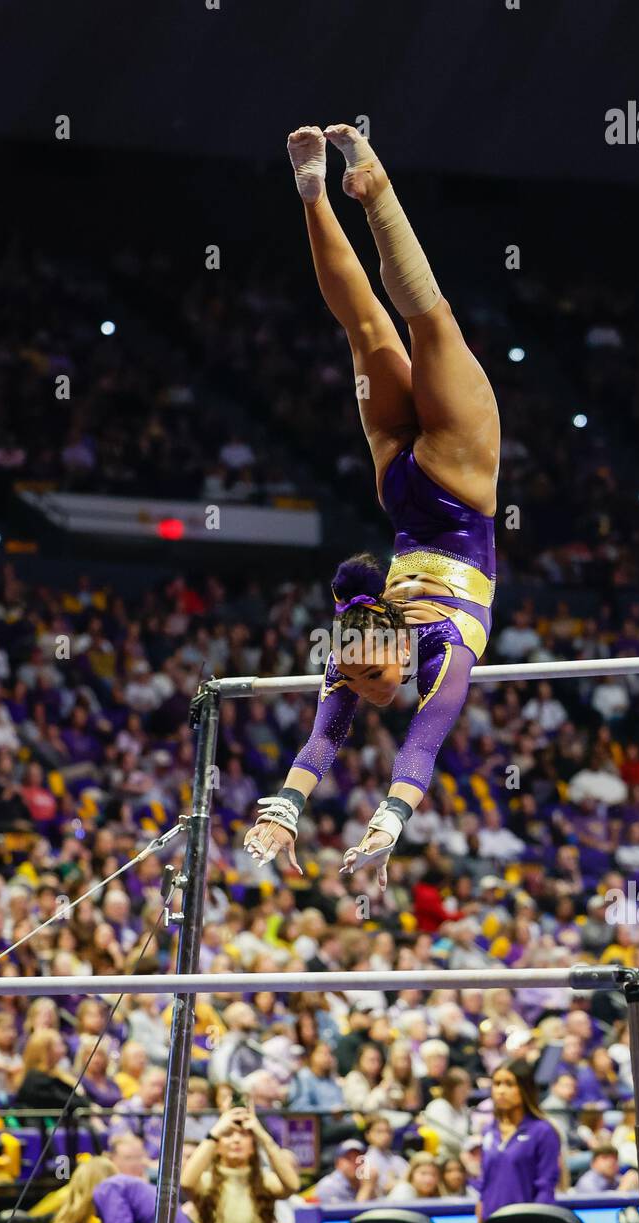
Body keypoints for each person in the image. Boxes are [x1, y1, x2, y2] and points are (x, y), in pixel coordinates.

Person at [244, 122, 500, 888]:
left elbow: (397, 750)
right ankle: (323, 186)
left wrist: (308, 813)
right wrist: (307, 814)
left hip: (450, 481)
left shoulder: (398, 649)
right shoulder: (381, 650)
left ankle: (341, 191)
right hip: (413, 491)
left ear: (384, 653)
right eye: (360, 687)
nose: (364, 698)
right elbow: (344, 744)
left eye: (366, 685)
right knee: (383, 328)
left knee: (415, 326)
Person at [181, 1103, 299, 1223]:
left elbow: (292, 1185)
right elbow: (186, 1181)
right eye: (228, 1135)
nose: (236, 1139)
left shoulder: (264, 1182)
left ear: (253, 1147)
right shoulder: (207, 1183)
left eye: (244, 1135)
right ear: (217, 1147)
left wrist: (262, 1135)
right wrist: (217, 1130)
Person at [472, 1061, 562, 1223]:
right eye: (496, 1084)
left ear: (525, 1088)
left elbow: (545, 1187)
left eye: (509, 1084)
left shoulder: (543, 1131)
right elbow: (485, 1188)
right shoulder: (489, 1131)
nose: (501, 1091)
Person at [312, 1138, 374, 1204]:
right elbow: (351, 1213)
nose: (355, 1163)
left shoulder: (366, 1179)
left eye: (359, 1158)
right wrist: (366, 1188)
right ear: (338, 1163)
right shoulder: (329, 1186)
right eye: (349, 1159)